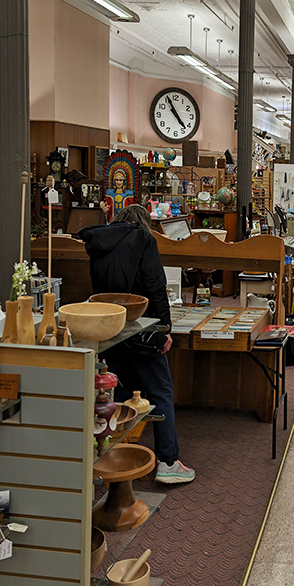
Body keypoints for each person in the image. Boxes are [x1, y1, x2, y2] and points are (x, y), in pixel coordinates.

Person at [80, 204, 195, 484]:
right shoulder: (144, 239)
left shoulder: (97, 242)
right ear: (143, 222)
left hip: (110, 329)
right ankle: (168, 462)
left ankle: (110, 458)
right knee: (160, 391)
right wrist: (165, 329)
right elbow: (156, 286)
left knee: (117, 394)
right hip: (143, 329)